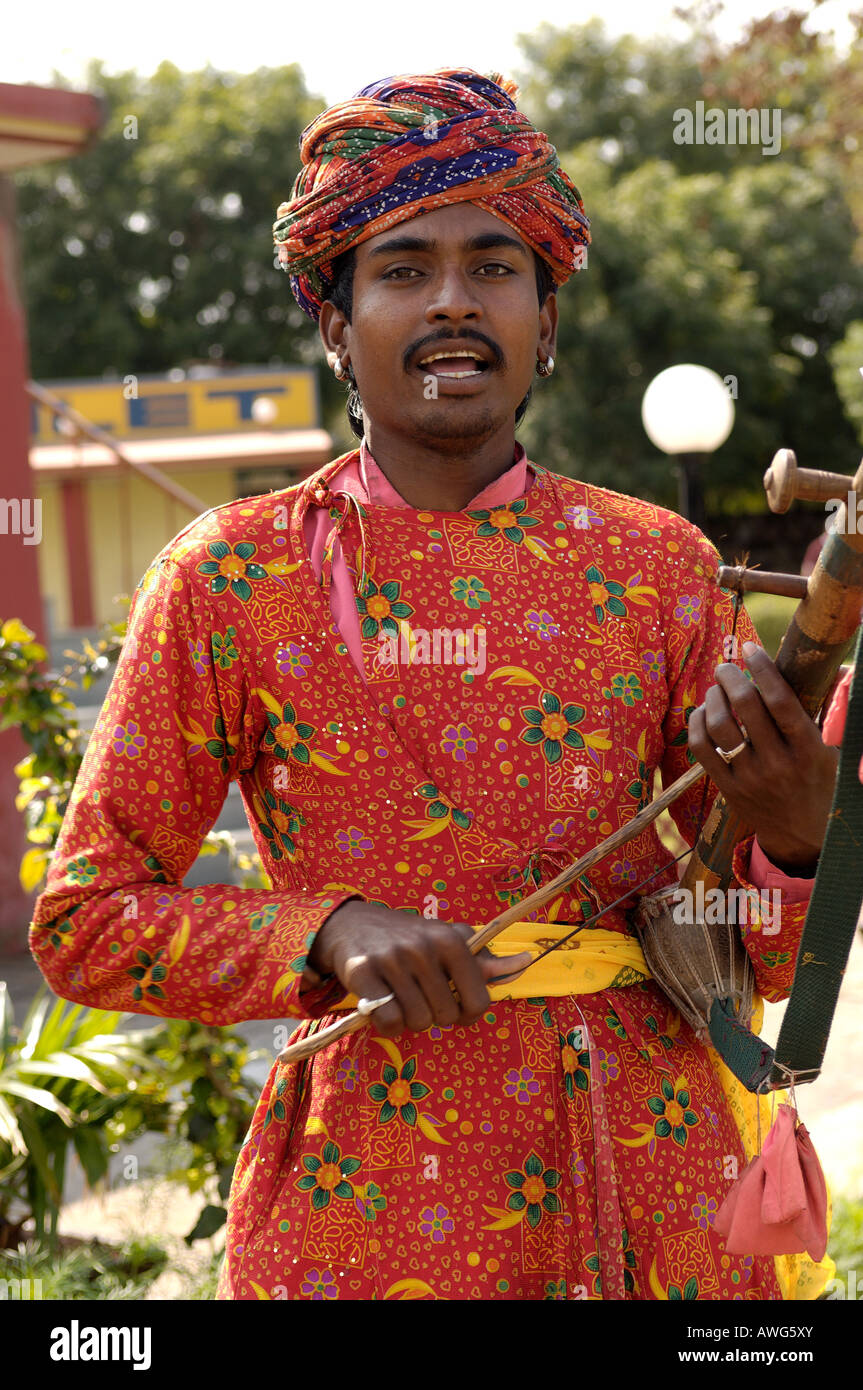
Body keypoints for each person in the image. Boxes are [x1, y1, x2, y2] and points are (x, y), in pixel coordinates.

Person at [30, 69, 840, 1301]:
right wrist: (326, 930)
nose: (452, 302)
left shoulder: (659, 566)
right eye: (402, 268)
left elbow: (761, 962)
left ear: (545, 316)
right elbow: (83, 923)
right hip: (368, 1204)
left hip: (656, 1190)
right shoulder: (230, 576)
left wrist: (792, 834)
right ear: (332, 319)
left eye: (495, 265)